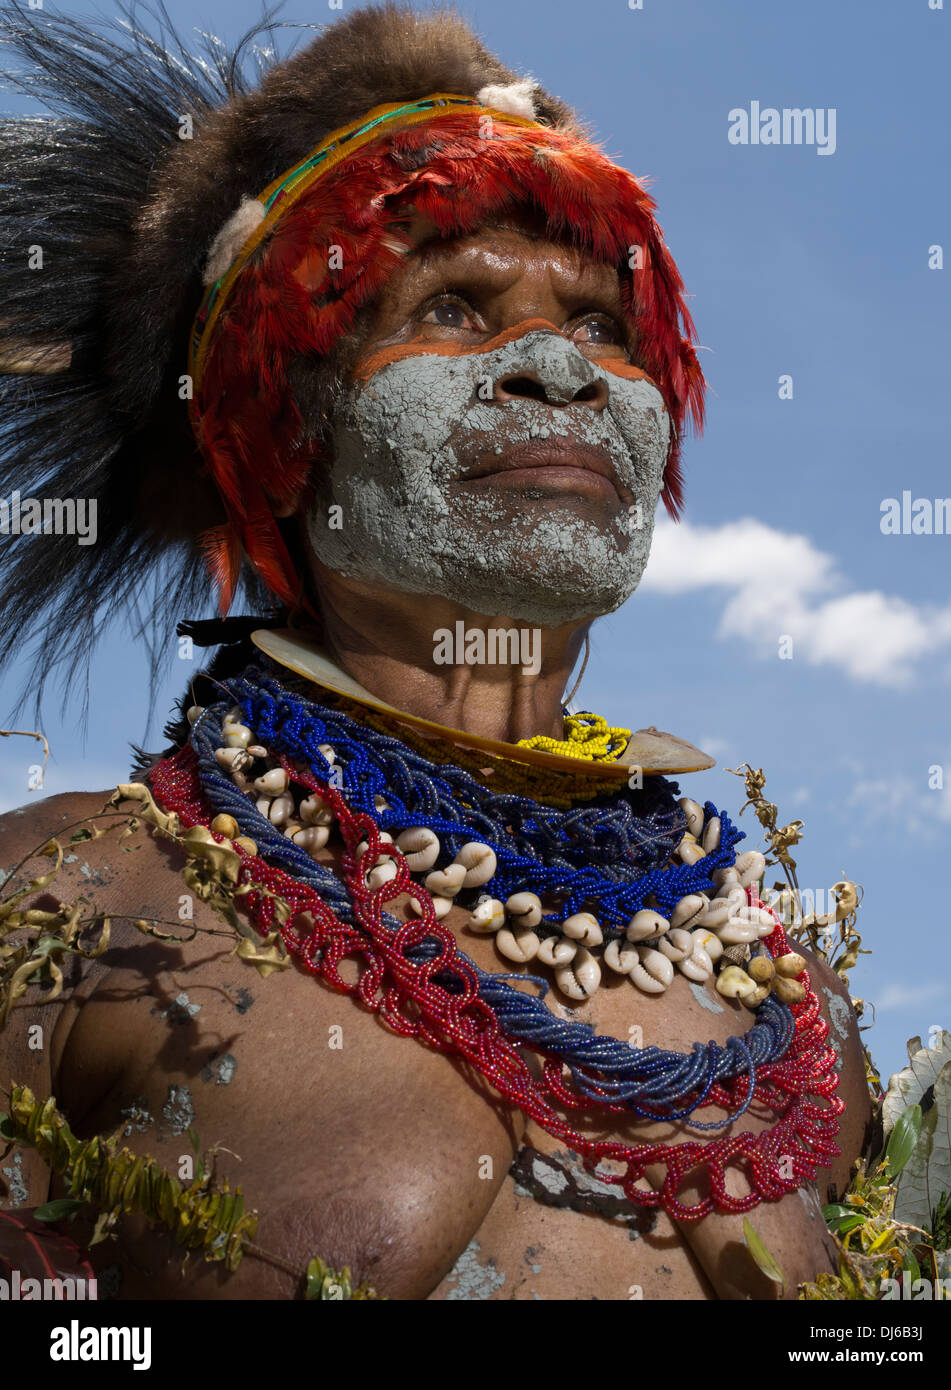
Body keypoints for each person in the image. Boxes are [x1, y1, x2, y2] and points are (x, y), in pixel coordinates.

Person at [0, 0, 870, 1300]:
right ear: (285, 428)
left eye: (600, 326)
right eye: (455, 309)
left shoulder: (792, 1006)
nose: (556, 371)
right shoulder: (76, 904)